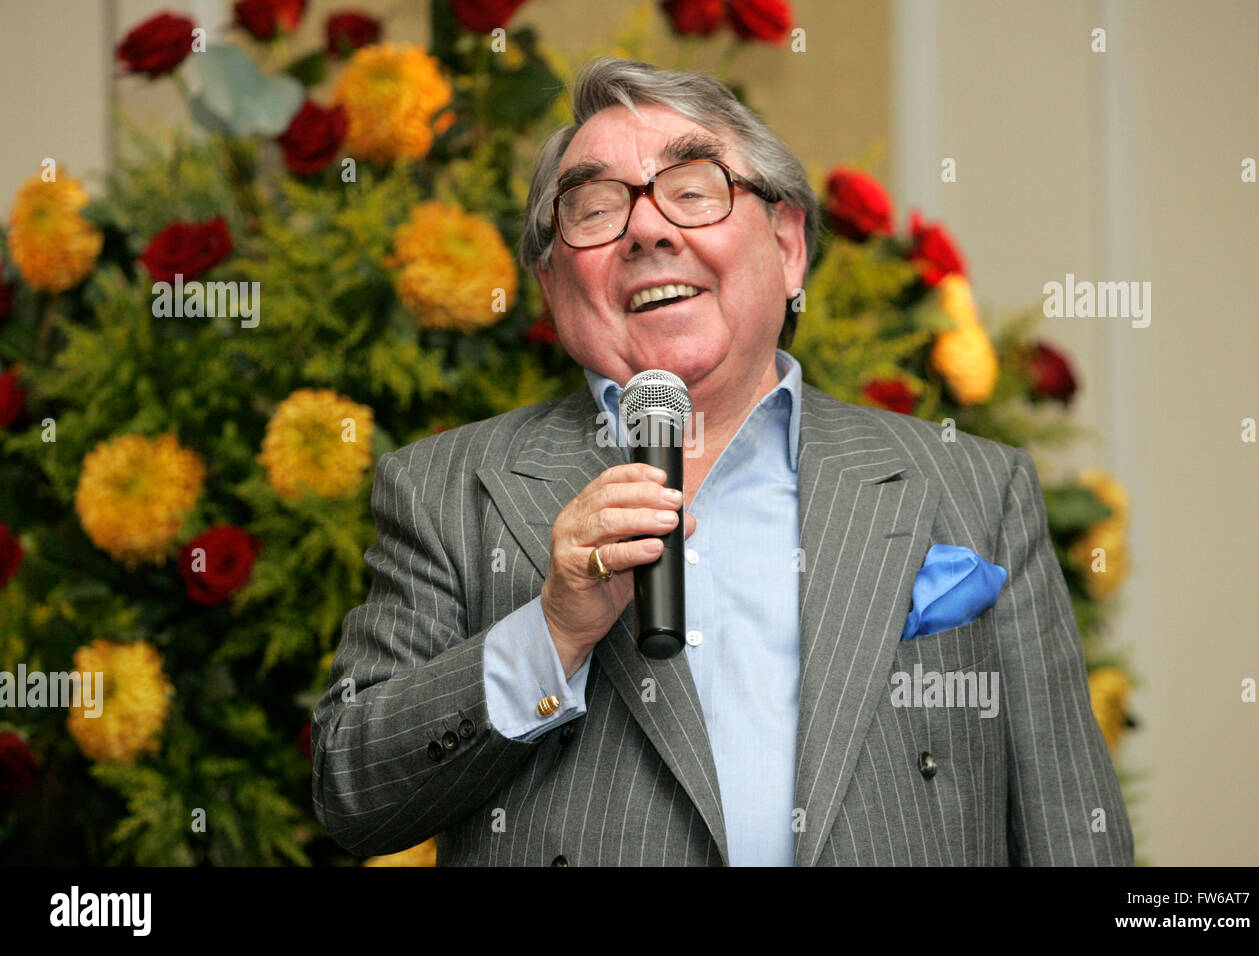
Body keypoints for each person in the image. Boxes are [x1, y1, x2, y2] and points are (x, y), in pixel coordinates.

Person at [311, 57, 1134, 867]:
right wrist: (553, 630)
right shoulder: (447, 490)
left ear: (787, 245)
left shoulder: (974, 488)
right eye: (594, 208)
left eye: (693, 190)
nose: (647, 228)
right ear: (553, 285)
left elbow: (1073, 830)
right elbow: (354, 793)